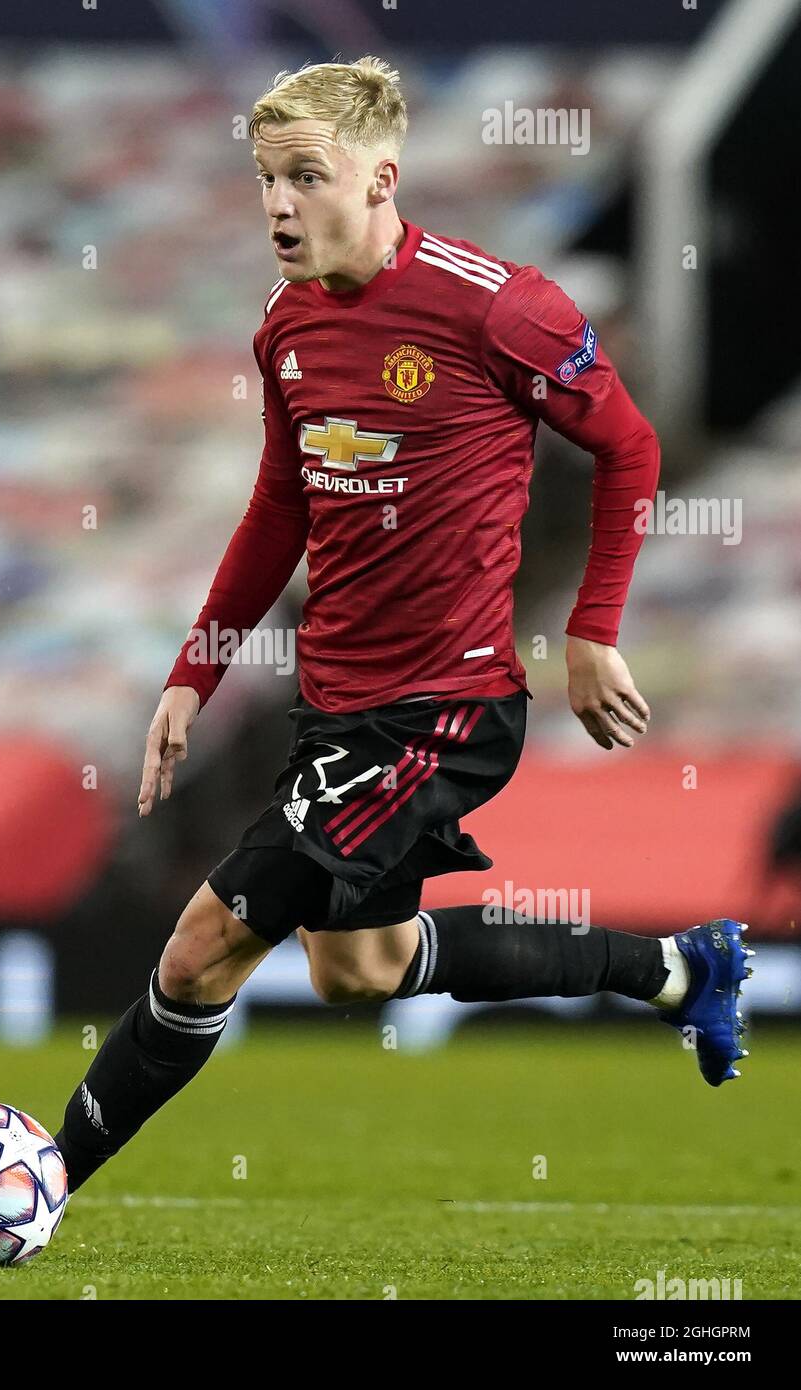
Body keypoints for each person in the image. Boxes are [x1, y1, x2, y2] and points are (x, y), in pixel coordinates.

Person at [50, 56, 751, 1203]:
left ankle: (35, 1186)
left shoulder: (498, 307)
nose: (277, 204)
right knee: (359, 969)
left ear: (380, 179)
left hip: (443, 708)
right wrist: (195, 672)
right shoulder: (284, 327)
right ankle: (678, 969)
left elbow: (626, 444)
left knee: (200, 947)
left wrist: (591, 626)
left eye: (304, 177)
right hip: (336, 704)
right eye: (265, 179)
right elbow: (280, 505)